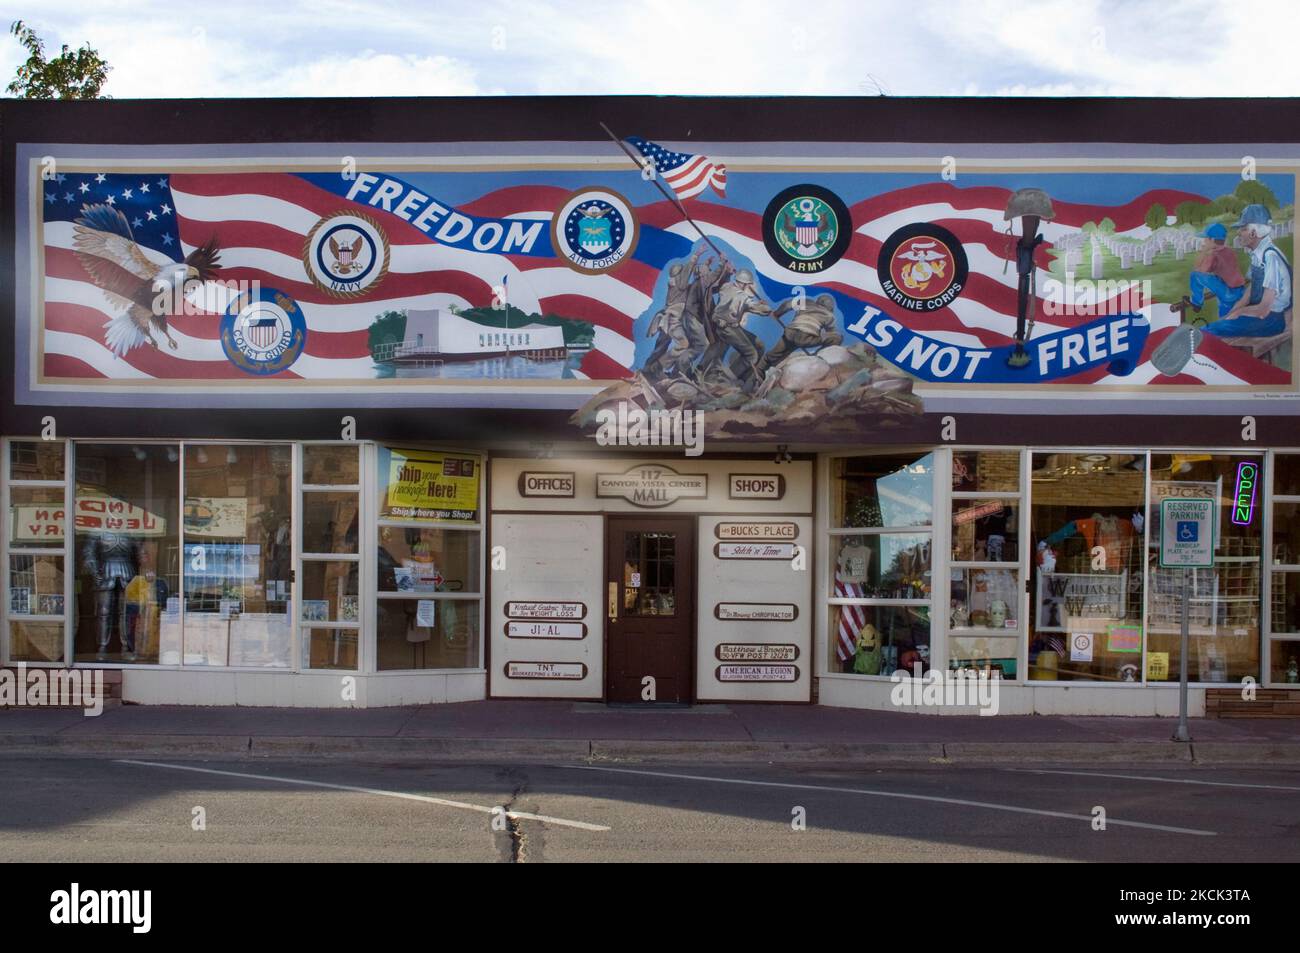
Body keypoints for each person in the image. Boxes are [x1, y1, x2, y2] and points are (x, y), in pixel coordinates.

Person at [1203, 204, 1291, 339]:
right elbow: (1251, 290)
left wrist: (1238, 313)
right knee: (1220, 320)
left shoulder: (1270, 257)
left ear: (1253, 233)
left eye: (1242, 229)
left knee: (1207, 332)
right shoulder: (1258, 254)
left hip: (1271, 319)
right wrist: (1233, 312)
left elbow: (1264, 309)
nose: (1238, 233)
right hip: (1262, 315)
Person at [703, 269, 772, 391]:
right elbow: (757, 308)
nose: (748, 287)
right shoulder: (741, 296)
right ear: (744, 284)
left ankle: (745, 377)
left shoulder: (726, 287)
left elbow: (741, 302)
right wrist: (765, 307)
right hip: (727, 328)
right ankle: (726, 379)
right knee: (751, 355)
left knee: (759, 346)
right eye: (747, 284)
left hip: (728, 326)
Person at [758, 292, 842, 371]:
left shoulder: (806, 302)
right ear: (830, 308)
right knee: (837, 337)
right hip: (806, 338)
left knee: (772, 356)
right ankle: (817, 357)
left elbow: (787, 304)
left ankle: (759, 372)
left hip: (790, 333)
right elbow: (831, 332)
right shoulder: (829, 315)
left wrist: (777, 314)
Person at [1184, 222, 1246, 318]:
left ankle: (1197, 302)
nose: (1204, 241)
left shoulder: (1213, 255)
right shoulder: (1230, 251)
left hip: (1227, 292)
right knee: (1226, 316)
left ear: (1211, 239)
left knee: (1194, 275)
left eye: (1205, 238)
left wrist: (1204, 251)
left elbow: (1199, 270)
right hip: (1240, 291)